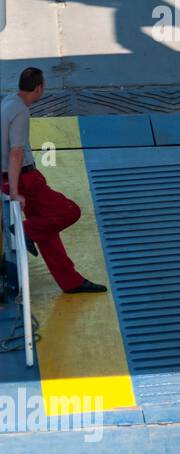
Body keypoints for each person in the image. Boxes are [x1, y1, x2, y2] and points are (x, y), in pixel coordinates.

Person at [1, 67, 105, 294]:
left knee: (47, 228)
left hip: (10, 176)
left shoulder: (8, 101)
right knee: (69, 211)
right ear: (39, 88)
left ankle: (71, 281)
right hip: (25, 179)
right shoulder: (21, 113)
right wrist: (16, 192)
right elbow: (16, 153)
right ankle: (23, 231)